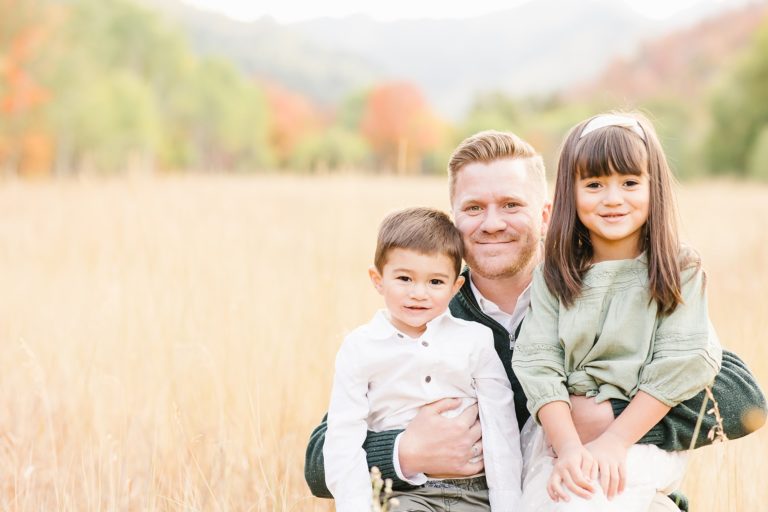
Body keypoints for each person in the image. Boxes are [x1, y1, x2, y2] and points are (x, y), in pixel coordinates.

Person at [305, 129, 766, 511]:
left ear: (545, 214)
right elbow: (318, 456)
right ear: (454, 220)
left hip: (603, 490)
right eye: (473, 209)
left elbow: (741, 395)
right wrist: (406, 451)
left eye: (510, 205)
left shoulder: (588, 290)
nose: (491, 223)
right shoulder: (426, 312)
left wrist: (610, 417)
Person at [511, 112, 722, 512]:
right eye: (594, 184)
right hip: (559, 438)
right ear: (570, 193)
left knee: (586, 502)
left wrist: (613, 441)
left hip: (640, 437)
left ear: (653, 187)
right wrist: (569, 446)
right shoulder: (555, 274)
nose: (612, 199)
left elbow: (684, 359)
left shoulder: (678, 269)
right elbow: (538, 361)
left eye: (629, 183)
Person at [323, 207, 522, 512]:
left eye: (435, 282)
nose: (419, 293)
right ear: (378, 280)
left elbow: (501, 427)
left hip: (476, 492)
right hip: (406, 494)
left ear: (455, 287)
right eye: (404, 278)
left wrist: (508, 506)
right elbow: (342, 437)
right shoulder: (360, 348)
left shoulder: (475, 341)